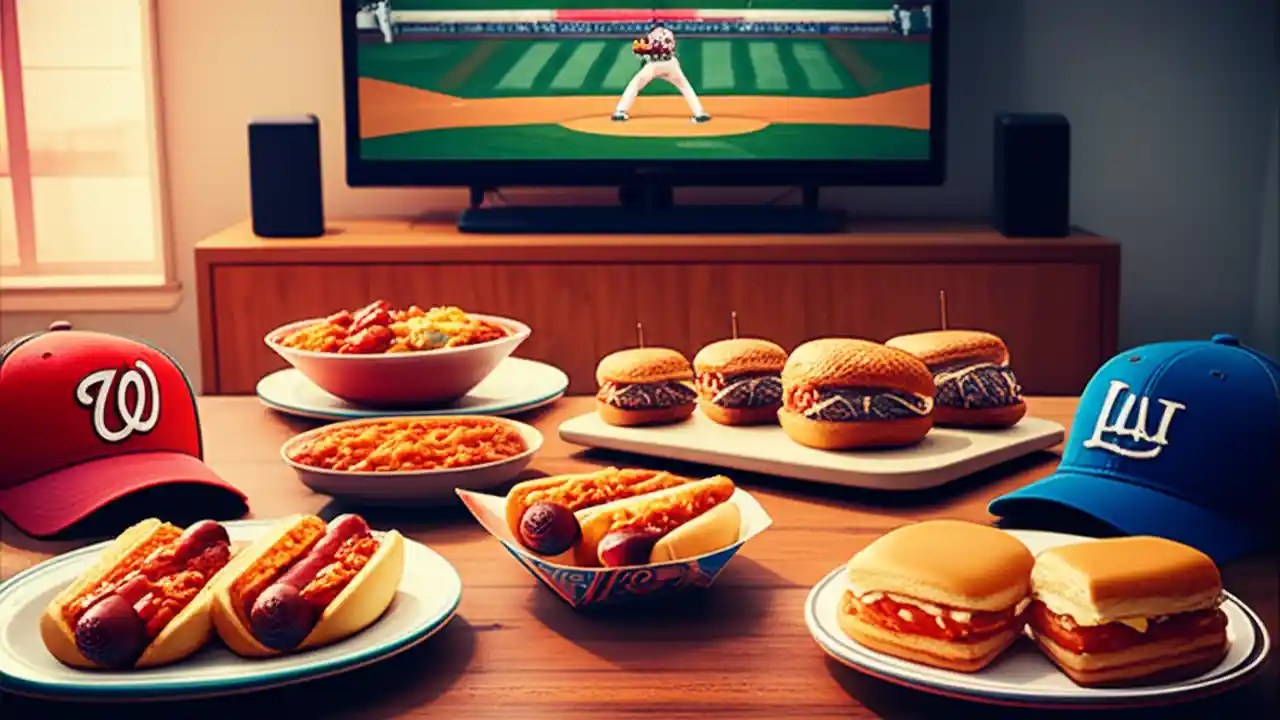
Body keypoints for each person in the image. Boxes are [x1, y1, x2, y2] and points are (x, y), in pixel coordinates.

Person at [613, 23, 709, 124]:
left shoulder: (653, 34)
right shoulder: (669, 33)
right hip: (671, 64)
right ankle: (699, 113)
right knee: (685, 87)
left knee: (635, 84)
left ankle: (620, 111)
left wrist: (640, 50)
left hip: (654, 66)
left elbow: (651, 49)